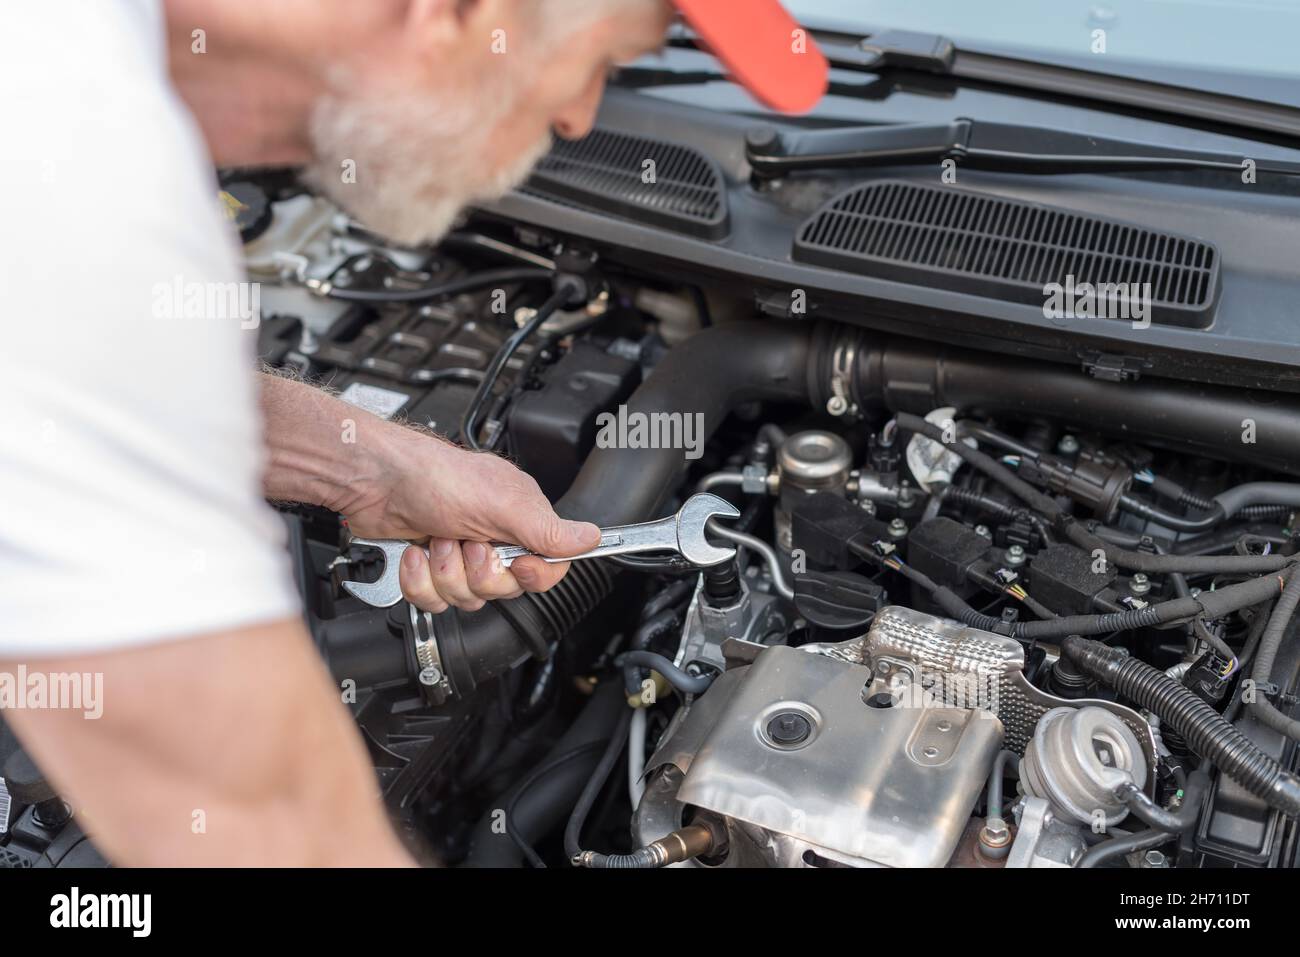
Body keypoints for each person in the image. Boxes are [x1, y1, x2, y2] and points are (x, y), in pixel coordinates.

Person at [0, 0, 827, 865]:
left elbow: (109, 388)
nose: (582, 117)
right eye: (601, 62)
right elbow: (256, 815)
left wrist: (378, 468)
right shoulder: (71, 147)